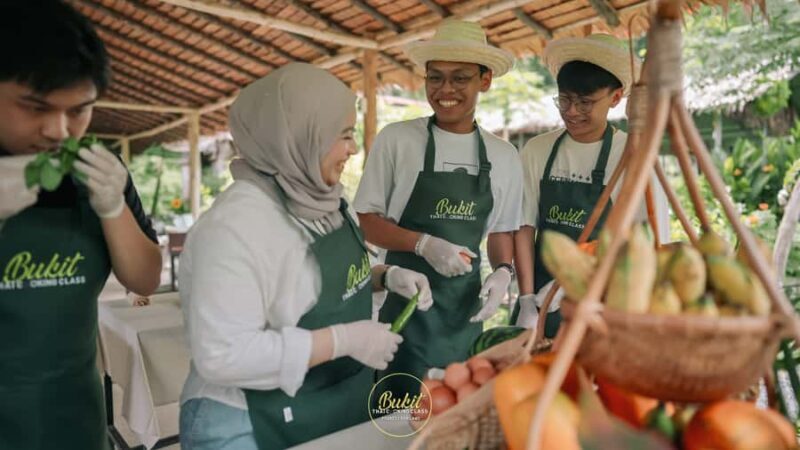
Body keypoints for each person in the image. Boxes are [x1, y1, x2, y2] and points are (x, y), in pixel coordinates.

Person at [178, 63, 433, 450]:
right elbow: (222, 355)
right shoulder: (234, 226)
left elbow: (313, 282)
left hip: (326, 407)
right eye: (343, 135)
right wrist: (343, 340)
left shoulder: (323, 200)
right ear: (300, 136)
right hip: (247, 424)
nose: (353, 148)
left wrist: (385, 277)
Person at [0, 2, 162, 449]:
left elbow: (145, 279)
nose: (59, 130)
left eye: (79, 110)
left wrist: (112, 206)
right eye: (35, 106)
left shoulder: (97, 168)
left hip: (74, 418)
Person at [353, 19, 524, 393]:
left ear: (485, 80)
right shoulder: (397, 140)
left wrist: (503, 271)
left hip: (464, 314)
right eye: (436, 78)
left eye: (460, 78)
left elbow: (501, 231)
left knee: (457, 407)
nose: (445, 89)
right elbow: (365, 221)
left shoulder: (504, 156)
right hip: (402, 309)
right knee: (395, 415)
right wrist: (423, 244)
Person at [512, 34, 669, 336]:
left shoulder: (633, 155)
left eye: (585, 102)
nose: (571, 111)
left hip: (604, 304)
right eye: (565, 99)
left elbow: (643, 243)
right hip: (540, 304)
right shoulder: (537, 150)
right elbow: (524, 227)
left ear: (615, 97)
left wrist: (579, 280)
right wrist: (527, 298)